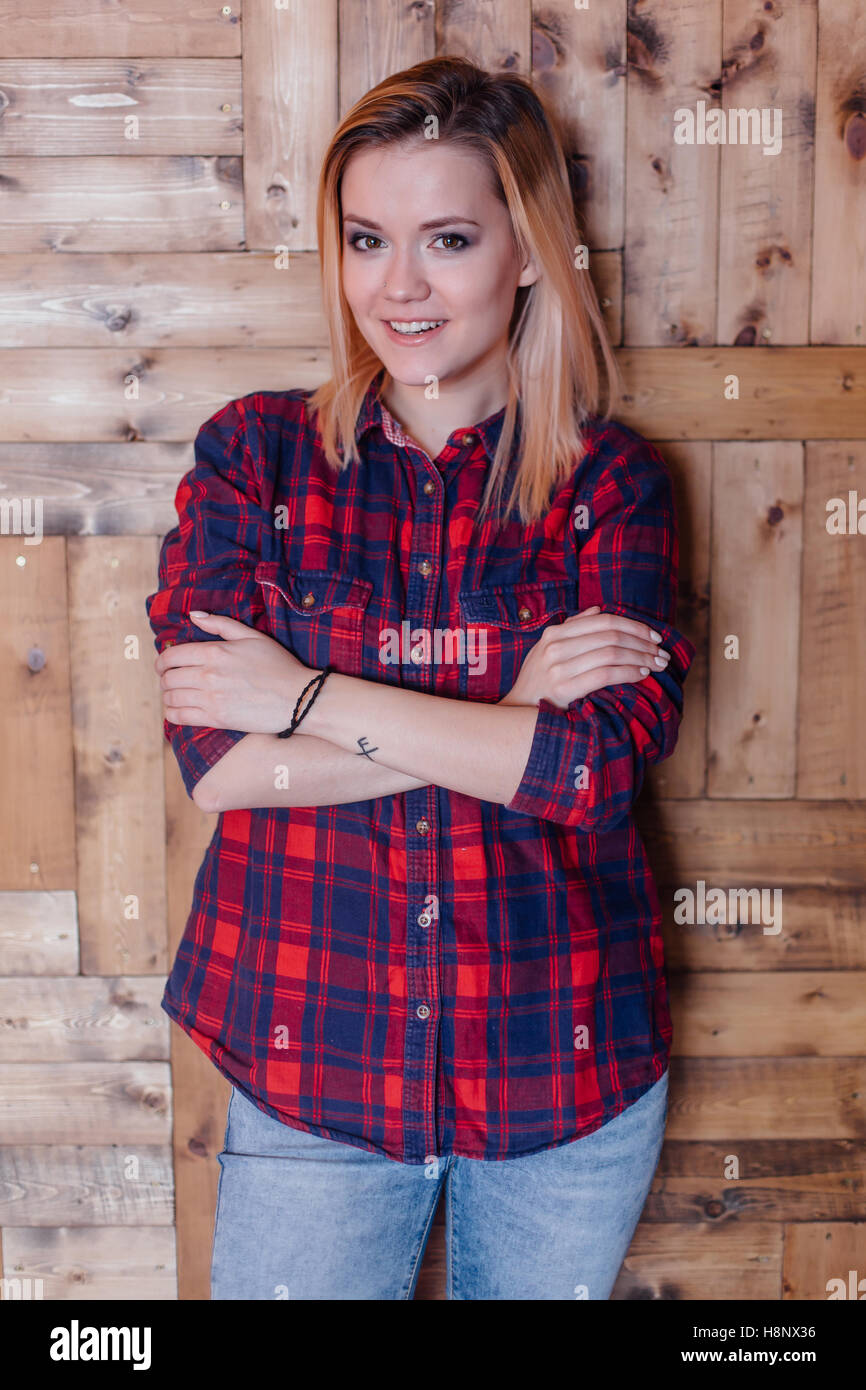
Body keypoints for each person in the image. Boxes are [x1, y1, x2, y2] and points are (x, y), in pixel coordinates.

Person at [145, 55, 696, 1301]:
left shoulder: (606, 485)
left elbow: (591, 774)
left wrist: (305, 693)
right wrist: (512, 707)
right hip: (311, 1063)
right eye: (365, 238)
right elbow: (226, 770)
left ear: (527, 252)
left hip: (562, 1071)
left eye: (446, 238)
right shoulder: (254, 458)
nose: (398, 286)